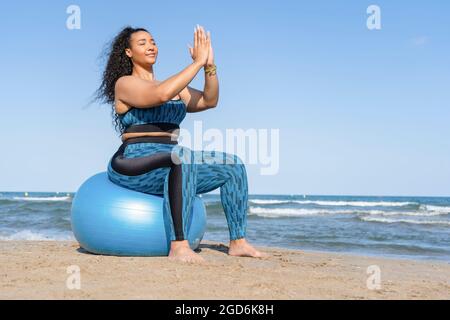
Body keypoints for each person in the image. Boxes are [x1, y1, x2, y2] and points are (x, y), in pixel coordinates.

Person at [94, 24, 268, 263]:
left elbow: (210, 100)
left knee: (232, 165)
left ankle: (238, 242)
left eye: (153, 41)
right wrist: (196, 63)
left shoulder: (177, 88)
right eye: (142, 43)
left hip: (174, 160)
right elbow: (160, 95)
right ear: (128, 53)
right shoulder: (125, 84)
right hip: (134, 161)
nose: (150, 46)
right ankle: (178, 245)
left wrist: (208, 65)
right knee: (182, 157)